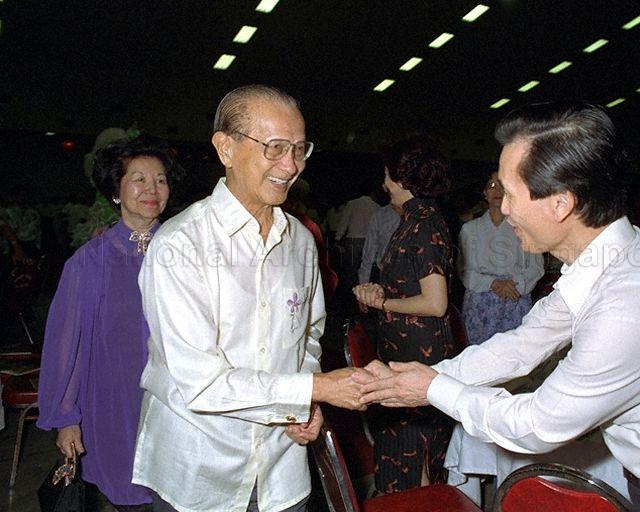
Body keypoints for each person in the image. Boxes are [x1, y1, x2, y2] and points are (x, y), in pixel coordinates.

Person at [357, 101, 640, 511]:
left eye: (510, 193)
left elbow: (537, 425)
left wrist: (432, 388)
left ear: (561, 203)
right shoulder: (605, 259)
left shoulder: (632, 300)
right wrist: (423, 378)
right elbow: (522, 345)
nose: (501, 208)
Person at [132, 85, 367, 512]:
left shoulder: (299, 240)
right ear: (225, 147)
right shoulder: (180, 244)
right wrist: (316, 388)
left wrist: (304, 404)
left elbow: (309, 335)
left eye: (299, 149)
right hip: (201, 467)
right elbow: (200, 383)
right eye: (275, 147)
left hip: (281, 468)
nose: (291, 165)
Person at [37, 135, 184, 511]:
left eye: (160, 179)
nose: (152, 189)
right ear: (115, 191)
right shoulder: (90, 262)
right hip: (116, 405)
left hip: (180, 405)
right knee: (131, 497)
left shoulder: (188, 252)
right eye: (139, 178)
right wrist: (67, 419)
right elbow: (65, 346)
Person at [353, 136, 456, 494]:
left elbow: (435, 303)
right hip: (406, 348)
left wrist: (384, 304)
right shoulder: (414, 219)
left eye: (387, 174)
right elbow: (413, 286)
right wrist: (382, 293)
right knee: (406, 447)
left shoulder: (423, 224)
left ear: (401, 177)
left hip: (418, 353)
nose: (383, 183)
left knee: (416, 454)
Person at [458, 171, 544, 345]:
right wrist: (493, 283)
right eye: (491, 186)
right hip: (480, 304)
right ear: (484, 193)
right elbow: (464, 270)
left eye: (502, 186)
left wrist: (515, 284)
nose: (497, 190)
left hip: (514, 299)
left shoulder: (524, 228)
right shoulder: (470, 229)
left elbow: (536, 267)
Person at [357, 201, 401, 285]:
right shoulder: (380, 215)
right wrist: (364, 284)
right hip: (385, 275)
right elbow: (369, 252)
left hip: (416, 278)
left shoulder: (421, 212)